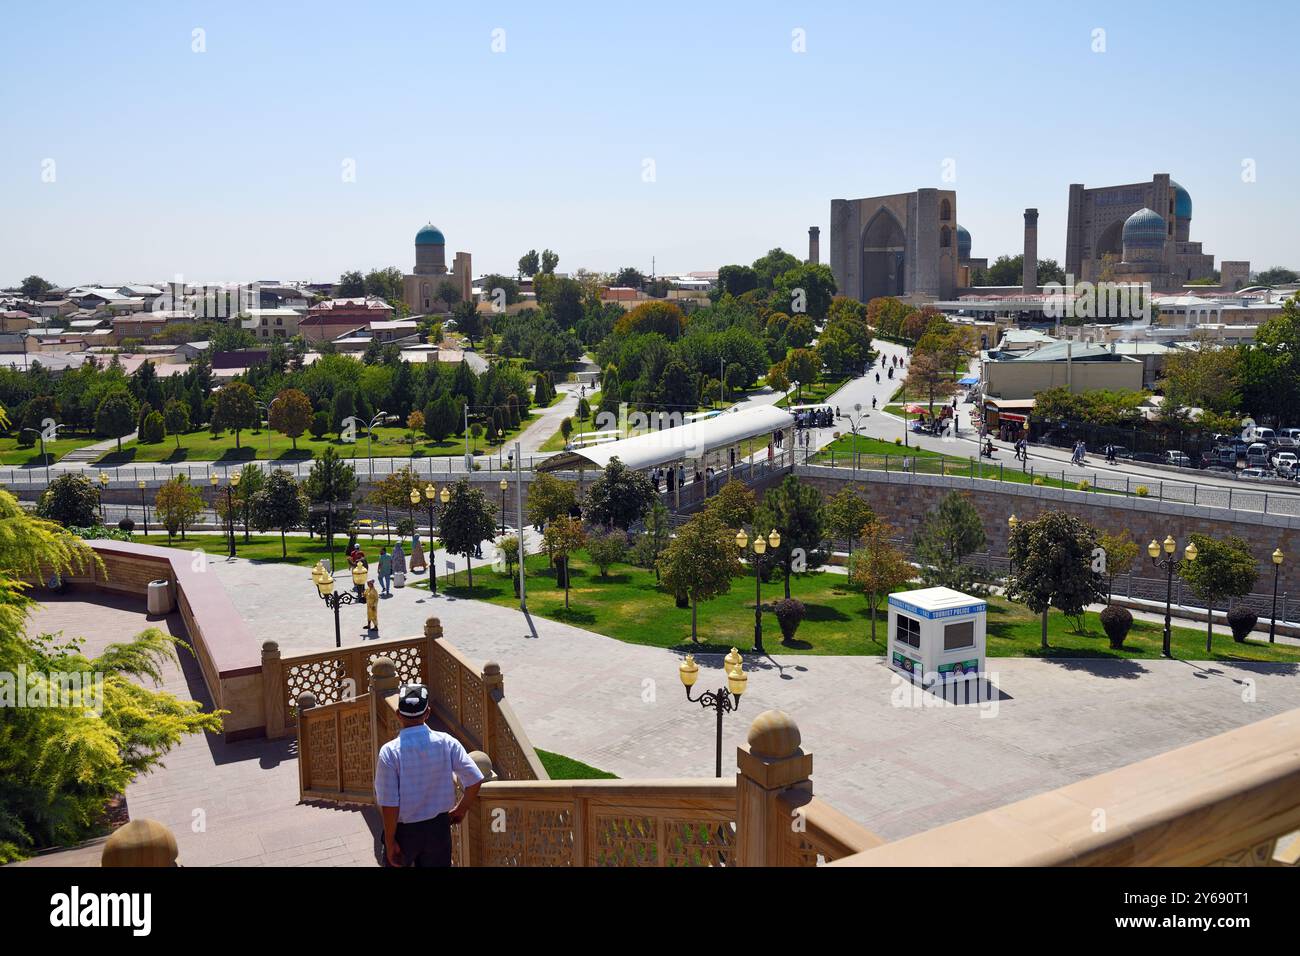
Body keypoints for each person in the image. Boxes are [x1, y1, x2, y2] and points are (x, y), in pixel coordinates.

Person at [375, 683, 484, 868]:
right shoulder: (446, 742)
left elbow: (389, 803)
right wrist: (461, 809)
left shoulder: (390, 752)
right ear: (427, 713)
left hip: (405, 833)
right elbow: (474, 779)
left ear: (399, 715)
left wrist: (390, 839)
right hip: (438, 829)